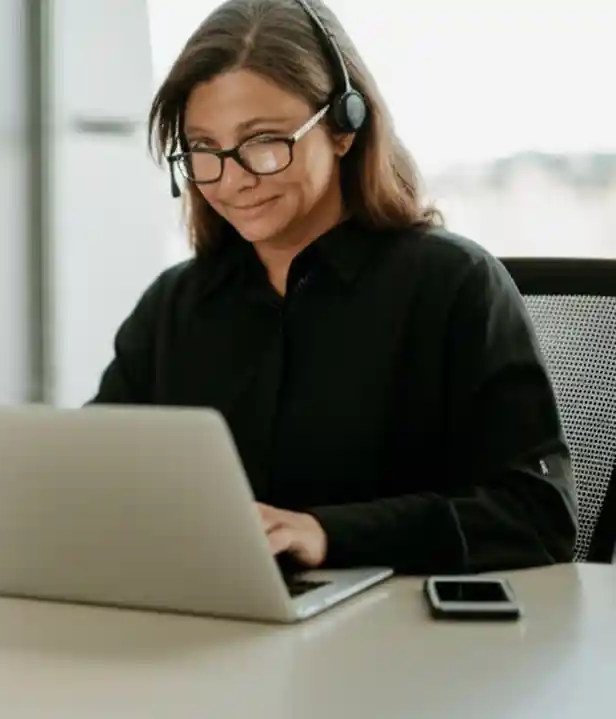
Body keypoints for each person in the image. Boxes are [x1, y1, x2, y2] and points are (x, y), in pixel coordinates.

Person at [91, 0, 576, 574]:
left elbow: (538, 516)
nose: (235, 178)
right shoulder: (175, 306)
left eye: (264, 141)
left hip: (402, 638)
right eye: (204, 150)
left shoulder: (453, 286)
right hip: (213, 626)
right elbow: (97, 477)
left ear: (345, 127)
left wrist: (328, 534)